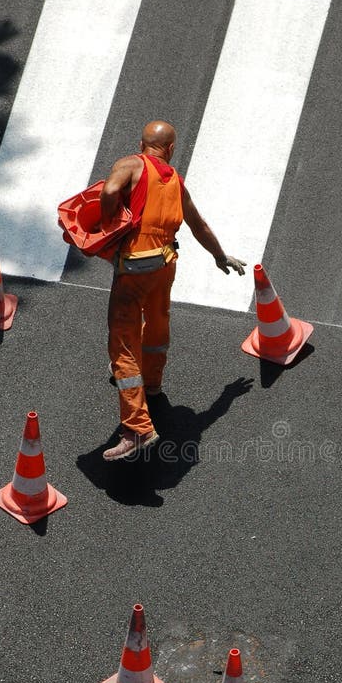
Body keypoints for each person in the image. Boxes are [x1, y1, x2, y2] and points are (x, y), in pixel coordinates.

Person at [99, 120, 246, 462]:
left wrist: (110, 229)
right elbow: (198, 224)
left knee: (122, 342)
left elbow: (108, 193)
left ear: (142, 143)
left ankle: (137, 429)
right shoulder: (175, 181)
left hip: (135, 266)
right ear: (170, 149)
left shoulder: (131, 164)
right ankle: (152, 384)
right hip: (165, 263)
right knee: (158, 321)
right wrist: (220, 256)